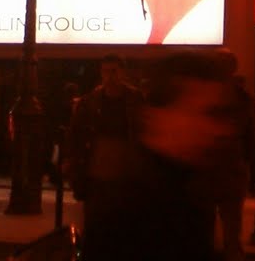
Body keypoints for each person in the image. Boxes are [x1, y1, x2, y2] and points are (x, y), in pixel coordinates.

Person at [80, 50, 234, 261]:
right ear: (158, 115)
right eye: (204, 111)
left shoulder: (193, 191)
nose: (219, 129)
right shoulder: (129, 210)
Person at [207, 51, 255, 261]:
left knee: (207, 223)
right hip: (232, 167)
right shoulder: (242, 98)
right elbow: (251, 138)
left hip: (210, 168)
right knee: (232, 224)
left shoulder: (202, 95)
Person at [65, 53, 144, 201]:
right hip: (99, 162)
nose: (110, 76)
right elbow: (76, 131)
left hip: (124, 163)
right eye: (106, 71)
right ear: (101, 73)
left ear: (122, 73)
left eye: (114, 71)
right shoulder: (91, 101)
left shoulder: (135, 99)